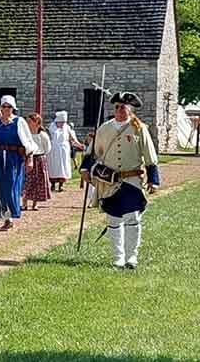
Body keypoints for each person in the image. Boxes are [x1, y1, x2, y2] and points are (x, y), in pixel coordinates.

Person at [81, 91, 160, 270]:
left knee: (132, 218)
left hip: (131, 180)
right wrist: (85, 168)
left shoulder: (139, 128)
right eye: (117, 107)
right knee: (113, 219)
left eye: (123, 107)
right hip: (109, 181)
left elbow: (150, 154)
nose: (119, 110)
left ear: (130, 109)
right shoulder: (104, 128)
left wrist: (153, 179)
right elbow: (92, 152)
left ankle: (131, 257)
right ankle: (118, 257)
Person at [0, 95, 37, 229]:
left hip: (14, 159)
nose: (6, 109)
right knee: (1, 187)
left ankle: (12, 213)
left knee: (11, 186)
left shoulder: (19, 122)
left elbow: (28, 141)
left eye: (9, 106)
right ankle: (7, 217)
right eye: (3, 106)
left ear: (13, 108)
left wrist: (30, 159)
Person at [22, 113, 52, 210]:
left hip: (39, 159)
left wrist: (40, 154)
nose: (28, 123)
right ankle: (24, 202)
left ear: (37, 123)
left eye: (30, 122)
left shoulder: (42, 135)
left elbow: (48, 148)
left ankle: (35, 203)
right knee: (26, 181)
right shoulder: (25, 135)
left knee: (38, 181)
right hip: (27, 158)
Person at [48, 110, 82, 192]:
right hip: (53, 150)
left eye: (63, 122)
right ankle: (52, 184)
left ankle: (61, 185)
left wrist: (79, 145)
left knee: (63, 167)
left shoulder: (67, 127)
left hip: (64, 150)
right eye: (61, 122)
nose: (62, 124)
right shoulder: (51, 127)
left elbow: (73, 138)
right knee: (53, 167)